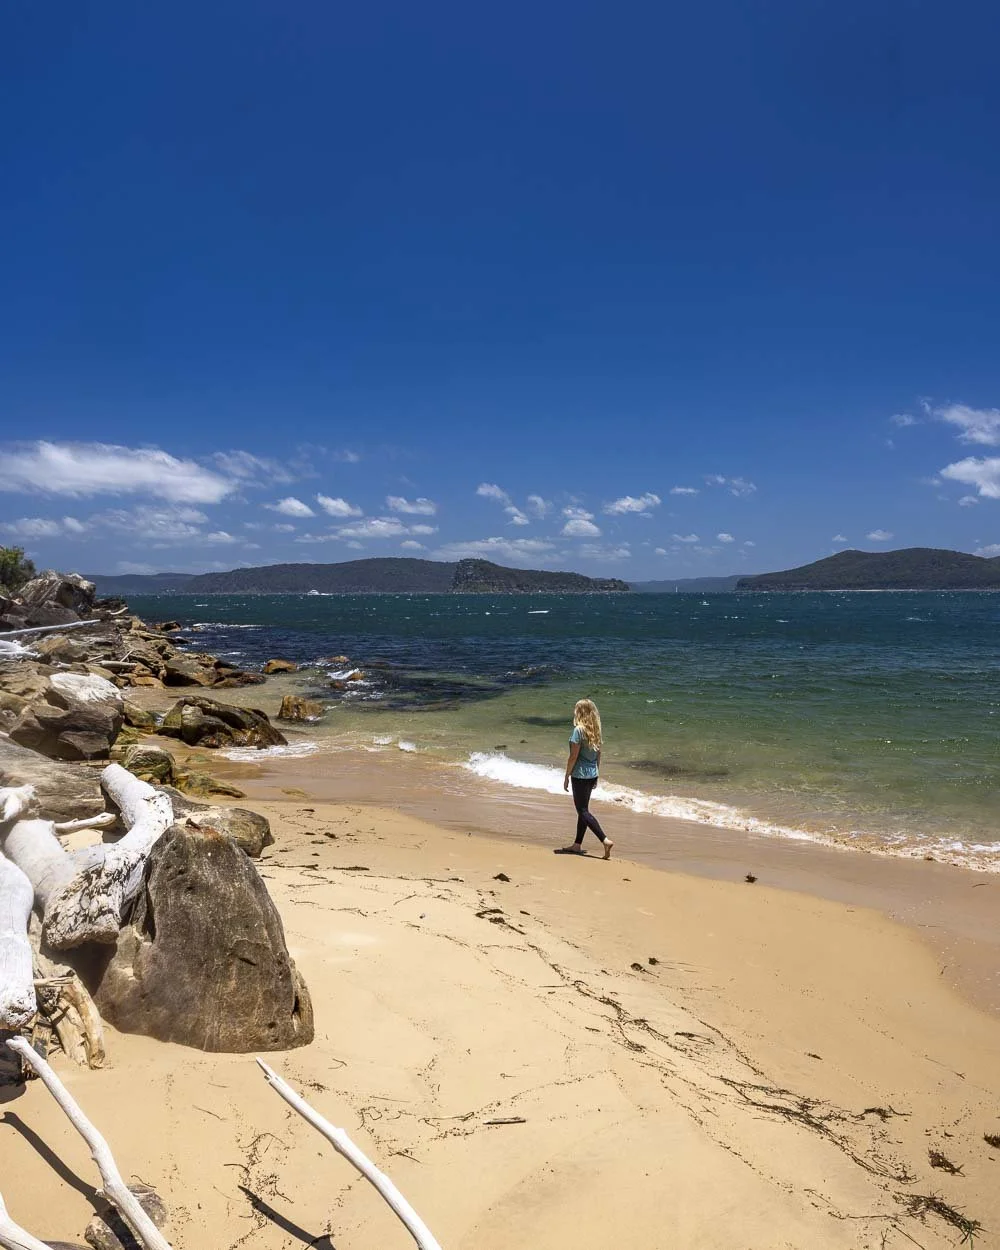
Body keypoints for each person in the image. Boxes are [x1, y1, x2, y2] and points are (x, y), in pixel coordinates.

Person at [561, 698, 613, 858]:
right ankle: (577, 845)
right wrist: (597, 773)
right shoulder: (595, 730)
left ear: (580, 712)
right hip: (592, 773)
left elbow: (573, 756)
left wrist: (567, 775)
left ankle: (604, 840)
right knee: (583, 810)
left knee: (582, 810)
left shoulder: (579, 730)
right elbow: (598, 754)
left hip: (580, 775)